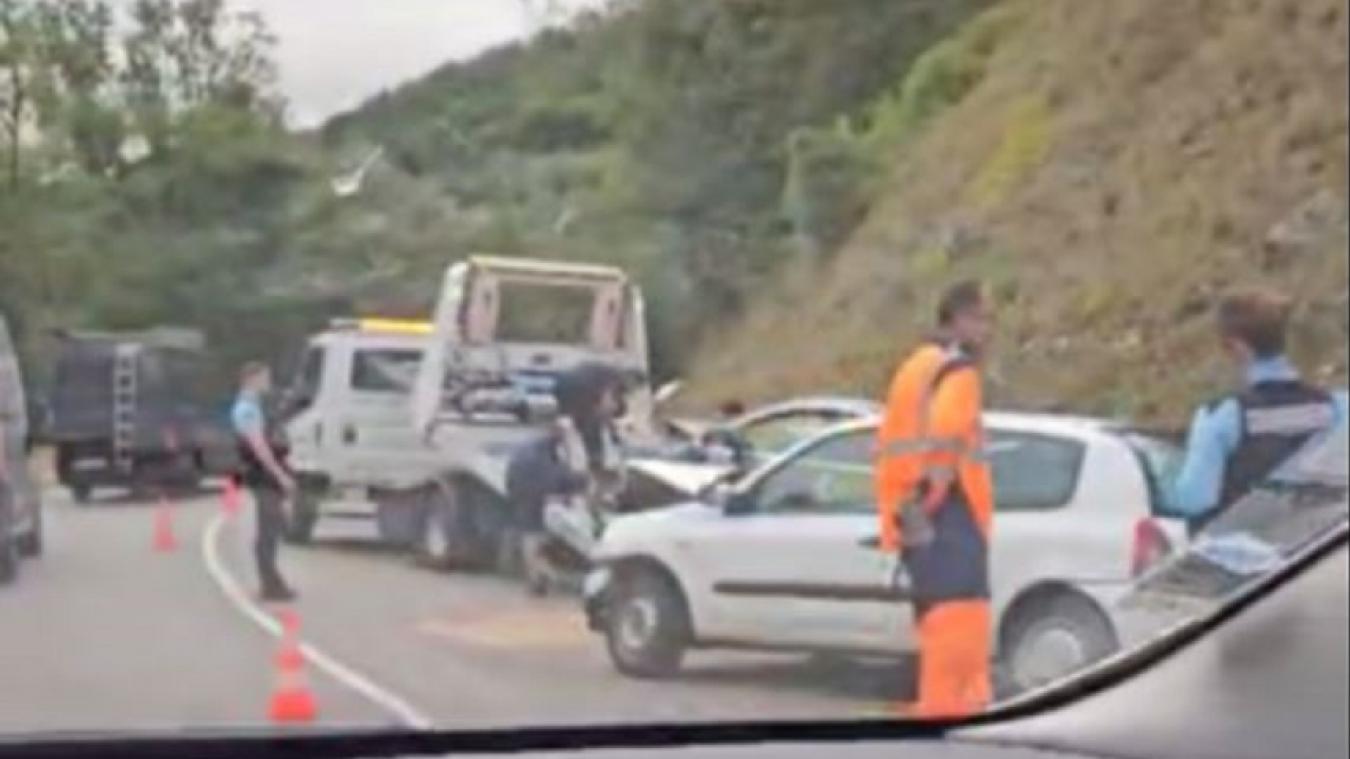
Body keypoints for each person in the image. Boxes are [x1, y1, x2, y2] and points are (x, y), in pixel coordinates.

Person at [874, 280, 996, 719]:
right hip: (947, 514)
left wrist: (912, 511)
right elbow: (946, 435)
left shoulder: (913, 368)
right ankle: (954, 717)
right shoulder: (958, 371)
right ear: (959, 319)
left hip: (912, 516)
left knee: (934, 620)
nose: (988, 330)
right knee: (960, 624)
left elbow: (897, 442)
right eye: (982, 319)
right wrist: (931, 498)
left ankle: (933, 710)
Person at [1171, 288, 1348, 534]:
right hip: (1319, 553)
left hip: (1250, 558)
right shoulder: (1338, 407)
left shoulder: (1221, 415)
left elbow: (1196, 499)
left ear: (1238, 347)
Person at [506, 363, 628, 596]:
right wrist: (585, 485)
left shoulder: (605, 433)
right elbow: (544, 485)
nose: (616, 402)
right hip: (562, 504)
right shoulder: (554, 441)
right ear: (588, 399)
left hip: (596, 503)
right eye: (611, 395)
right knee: (560, 517)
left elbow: (615, 468)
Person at [231, 362, 298, 602]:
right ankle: (270, 584)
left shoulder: (254, 406)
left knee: (274, 526)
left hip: (263, 472)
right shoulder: (247, 408)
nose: (267, 383)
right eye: (264, 378)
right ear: (251, 379)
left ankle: (273, 581)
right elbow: (258, 445)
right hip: (262, 474)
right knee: (269, 528)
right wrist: (279, 474)